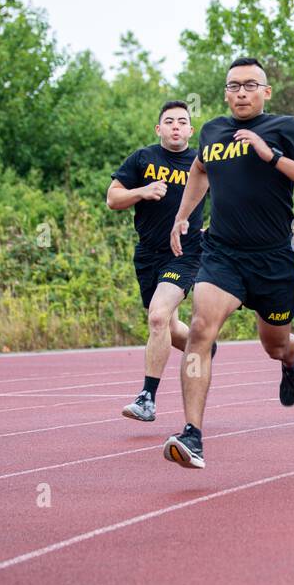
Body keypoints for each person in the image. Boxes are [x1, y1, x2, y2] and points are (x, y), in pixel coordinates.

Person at [160, 57, 294, 469]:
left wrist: (271, 156)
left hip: (274, 260)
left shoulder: (284, 128)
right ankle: (193, 435)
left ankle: (292, 360)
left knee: (274, 344)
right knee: (200, 327)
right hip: (223, 253)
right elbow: (200, 170)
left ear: (265, 92)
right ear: (225, 92)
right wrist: (183, 216)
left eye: (250, 85)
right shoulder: (214, 131)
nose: (241, 92)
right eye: (233, 86)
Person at [108, 100, 212, 422]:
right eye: (169, 121)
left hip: (185, 253)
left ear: (191, 130)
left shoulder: (201, 163)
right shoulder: (143, 158)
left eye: (182, 121)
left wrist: (215, 229)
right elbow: (113, 199)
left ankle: (147, 399)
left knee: (157, 318)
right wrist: (142, 191)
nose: (176, 126)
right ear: (159, 128)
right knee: (167, 325)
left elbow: (229, 201)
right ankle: (203, 346)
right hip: (147, 254)